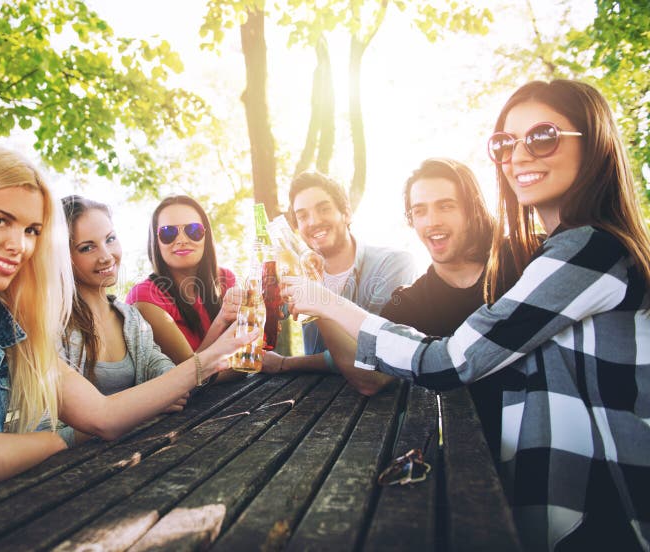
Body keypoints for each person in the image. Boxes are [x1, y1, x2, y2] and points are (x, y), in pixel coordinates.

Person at [282, 80, 650, 551]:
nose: (519, 155)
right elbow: (370, 375)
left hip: (612, 508)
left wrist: (326, 301)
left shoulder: (586, 251)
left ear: (594, 144)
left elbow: (449, 362)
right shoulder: (562, 252)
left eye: (542, 136)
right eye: (504, 143)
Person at [0, 142, 255, 539]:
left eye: (31, 230)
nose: (19, 244)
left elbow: (102, 417)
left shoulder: (3, 317)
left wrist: (213, 358)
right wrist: (54, 442)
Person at [377, 158, 518, 462]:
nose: (432, 221)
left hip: (549, 445)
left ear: (472, 210)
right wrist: (320, 306)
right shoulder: (410, 302)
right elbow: (367, 369)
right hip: (469, 460)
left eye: (446, 206)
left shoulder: (521, 262)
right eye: (420, 210)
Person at [48, 195, 190, 445]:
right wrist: (149, 402)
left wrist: (161, 391)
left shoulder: (130, 318)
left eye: (110, 239)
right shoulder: (52, 327)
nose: (107, 256)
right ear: (63, 257)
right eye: (87, 247)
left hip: (143, 450)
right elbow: (47, 428)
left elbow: (163, 370)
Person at [262, 171, 416, 376]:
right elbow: (262, 315)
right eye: (302, 216)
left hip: (385, 404)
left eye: (324, 209)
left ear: (346, 213)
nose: (314, 221)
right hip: (317, 400)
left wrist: (286, 363)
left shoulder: (393, 264)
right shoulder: (296, 272)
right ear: (297, 227)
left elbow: (374, 359)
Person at [126, 195, 243, 370]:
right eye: (168, 233)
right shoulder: (145, 297)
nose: (181, 240)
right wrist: (222, 320)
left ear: (206, 236)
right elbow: (190, 374)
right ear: (156, 242)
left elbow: (248, 351)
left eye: (193, 230)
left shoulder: (225, 279)